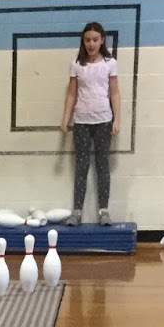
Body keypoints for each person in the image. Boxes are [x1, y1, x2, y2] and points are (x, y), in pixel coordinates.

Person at [61, 23, 120, 225]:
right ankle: (77, 211)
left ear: (102, 40)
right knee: (82, 166)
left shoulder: (110, 63)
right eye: (87, 40)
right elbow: (71, 94)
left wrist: (117, 119)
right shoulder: (77, 64)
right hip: (82, 122)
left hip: (103, 120)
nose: (91, 44)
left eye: (95, 39)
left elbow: (114, 93)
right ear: (83, 41)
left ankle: (104, 211)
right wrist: (65, 119)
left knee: (102, 165)